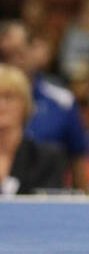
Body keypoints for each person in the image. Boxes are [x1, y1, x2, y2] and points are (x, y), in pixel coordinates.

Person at [0, 19, 89, 193]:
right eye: (4, 56)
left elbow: (78, 163)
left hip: (45, 196)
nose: (12, 63)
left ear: (34, 50)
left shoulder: (61, 101)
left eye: (17, 53)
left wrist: (86, 207)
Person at [0, 63, 66, 195]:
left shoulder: (45, 158)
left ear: (25, 104)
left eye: (8, 96)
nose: (1, 104)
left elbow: (50, 209)